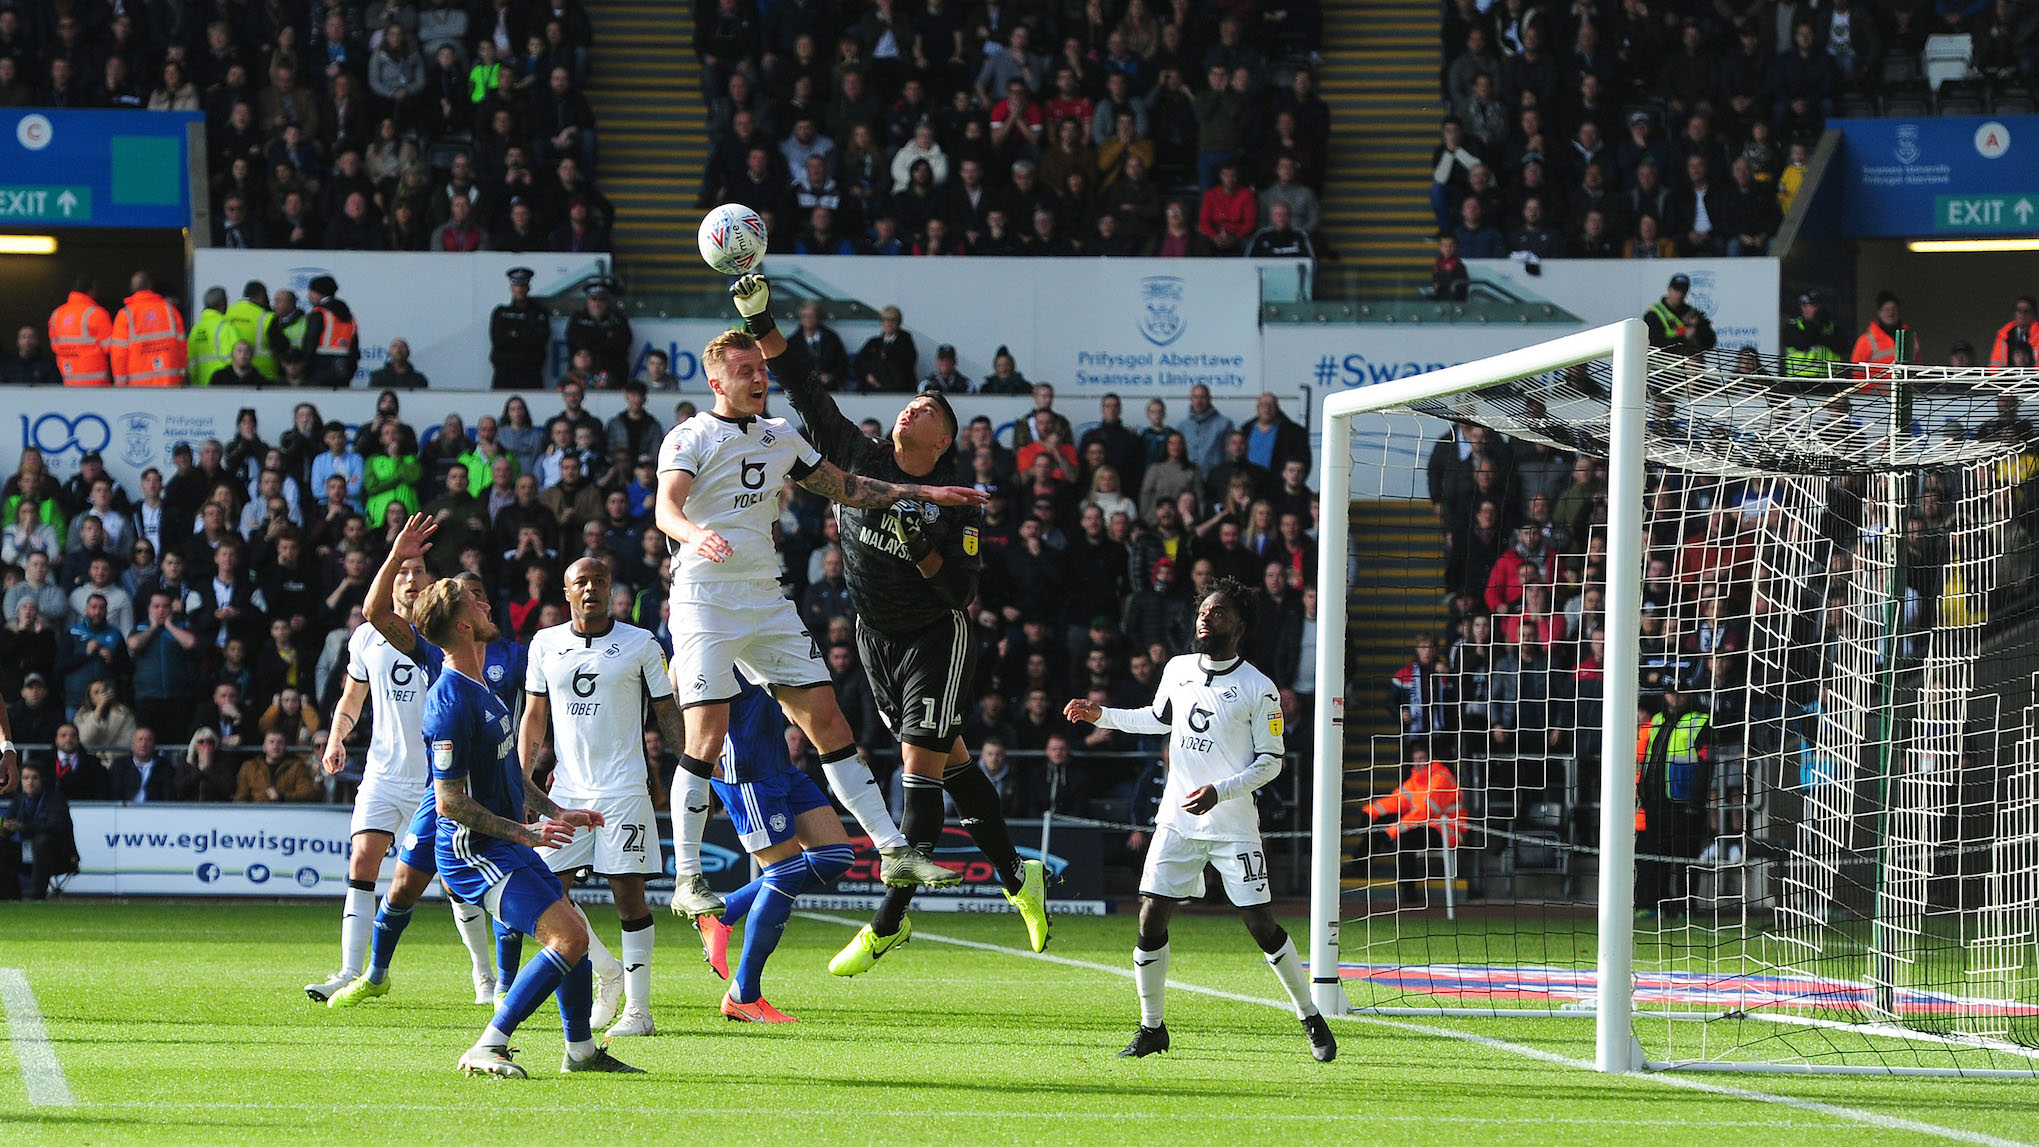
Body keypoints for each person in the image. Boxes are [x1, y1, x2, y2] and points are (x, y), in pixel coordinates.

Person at [730, 274, 1050, 973]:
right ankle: (1017, 873)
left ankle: (887, 922)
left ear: (944, 440)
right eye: (910, 402)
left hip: (936, 638)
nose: (911, 409)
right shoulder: (860, 456)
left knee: (917, 767)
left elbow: (960, 591)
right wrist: (759, 317)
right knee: (953, 764)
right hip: (875, 640)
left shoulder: (956, 502)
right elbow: (802, 384)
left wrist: (921, 545)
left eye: (926, 409)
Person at [652, 321, 985, 919]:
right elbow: (666, 509)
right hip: (705, 600)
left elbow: (848, 487)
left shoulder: (780, 435)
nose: (759, 378)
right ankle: (688, 877)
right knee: (706, 736)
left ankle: (892, 850)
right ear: (716, 382)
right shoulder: (689, 436)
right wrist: (694, 535)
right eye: (745, 371)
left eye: (761, 368)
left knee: (828, 721)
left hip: (765, 598)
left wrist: (927, 495)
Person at [1062, 576, 1334, 1062]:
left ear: (1240, 624)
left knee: (1260, 923)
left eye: (1218, 611)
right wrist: (1102, 715)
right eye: (1204, 610)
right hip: (1177, 819)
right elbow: (1157, 718)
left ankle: (1309, 1014)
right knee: (1150, 912)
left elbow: (1272, 762)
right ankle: (1151, 1028)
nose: (1206, 618)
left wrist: (1220, 791)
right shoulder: (1178, 668)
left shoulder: (1259, 688)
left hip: (1232, 824)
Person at [410, 576, 642, 1079]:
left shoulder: (480, 687)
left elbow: (509, 774)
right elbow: (448, 802)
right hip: (473, 853)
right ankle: (489, 1044)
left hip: (504, 844)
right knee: (566, 938)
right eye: (475, 602)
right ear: (464, 626)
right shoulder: (449, 700)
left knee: (575, 932)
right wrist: (526, 833)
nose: (486, 603)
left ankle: (580, 1052)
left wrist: (553, 811)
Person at [309, 518, 496, 1005]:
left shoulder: (437, 636)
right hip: (383, 774)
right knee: (362, 860)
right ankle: (351, 971)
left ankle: (484, 976)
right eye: (403, 572)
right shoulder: (365, 639)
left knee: (455, 883)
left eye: (419, 572)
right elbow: (351, 699)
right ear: (389, 579)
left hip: (436, 782)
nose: (411, 579)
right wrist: (336, 737)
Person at [519, 557, 690, 1039]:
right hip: (566, 793)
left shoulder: (641, 643)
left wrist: (694, 771)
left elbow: (666, 712)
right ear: (566, 592)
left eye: (599, 581)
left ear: (611, 589)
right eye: (581, 582)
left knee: (628, 896)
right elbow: (534, 716)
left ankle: (639, 1011)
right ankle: (607, 970)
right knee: (547, 894)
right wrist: (523, 781)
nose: (591, 589)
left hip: (624, 790)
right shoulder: (544, 644)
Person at [693, 677, 858, 1020]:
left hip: (779, 763)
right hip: (746, 770)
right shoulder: (703, 647)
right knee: (784, 873)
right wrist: (698, 756)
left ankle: (724, 911)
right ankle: (744, 995)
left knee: (834, 855)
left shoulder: (758, 642)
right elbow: (674, 694)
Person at [1635, 686, 1713, 916]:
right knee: (1653, 856)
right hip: (1655, 801)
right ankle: (1654, 904)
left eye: (1680, 692)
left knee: (1684, 857)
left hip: (1684, 803)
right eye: (1671, 691)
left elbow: (1706, 765)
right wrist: (1644, 791)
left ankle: (1685, 906)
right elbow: (1650, 759)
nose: (1675, 696)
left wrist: (1696, 801)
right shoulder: (1658, 720)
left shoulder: (1700, 721)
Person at [1, 761, 75, 900]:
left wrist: (23, 827)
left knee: (42, 841)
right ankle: (9, 897)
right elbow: (9, 823)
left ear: (42, 780)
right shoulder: (19, 801)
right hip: (26, 854)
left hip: (57, 857)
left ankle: (37, 896)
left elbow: (55, 826)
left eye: (34, 778)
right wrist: (6, 827)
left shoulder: (55, 800)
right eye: (26, 778)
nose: (30, 782)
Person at [109, 272, 188, 387]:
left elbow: (119, 353)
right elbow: (182, 347)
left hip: (138, 387)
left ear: (132, 289)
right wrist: (181, 376)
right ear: (150, 287)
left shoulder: (125, 315)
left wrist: (121, 383)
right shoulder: (171, 311)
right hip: (169, 384)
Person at [489, 268, 551, 389]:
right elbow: (498, 340)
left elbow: (540, 340)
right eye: (517, 286)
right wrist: (526, 335)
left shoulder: (539, 313)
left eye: (523, 286)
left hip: (531, 374)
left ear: (528, 288)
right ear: (511, 288)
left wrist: (514, 335)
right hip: (504, 374)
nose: (520, 289)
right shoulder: (500, 312)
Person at [48, 277, 114, 387]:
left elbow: (55, 346)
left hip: (68, 381)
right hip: (96, 384)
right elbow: (111, 347)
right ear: (91, 291)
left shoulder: (56, 314)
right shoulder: (97, 314)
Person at [566, 281, 633, 386]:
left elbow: (622, 343)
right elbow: (575, 341)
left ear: (607, 302)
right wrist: (605, 336)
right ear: (588, 301)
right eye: (593, 299)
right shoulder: (577, 319)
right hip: (581, 378)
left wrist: (590, 340)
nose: (597, 304)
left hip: (613, 375)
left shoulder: (618, 320)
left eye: (602, 299)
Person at [301, 275, 361, 387]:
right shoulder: (349, 317)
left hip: (318, 369)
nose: (310, 295)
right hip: (343, 369)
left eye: (311, 292)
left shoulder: (319, 314)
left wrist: (304, 369)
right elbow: (354, 348)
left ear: (317, 293)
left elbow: (309, 344)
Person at [1642, 273, 1716, 355]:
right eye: (1676, 290)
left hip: (1688, 361)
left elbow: (1710, 343)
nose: (1680, 294)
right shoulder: (1653, 314)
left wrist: (1698, 326)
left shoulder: (1692, 313)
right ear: (1669, 289)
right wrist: (1684, 337)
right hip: (1663, 362)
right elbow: (1654, 344)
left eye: (1683, 290)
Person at [1850, 289, 1917, 379]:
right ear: (1879, 313)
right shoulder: (1865, 341)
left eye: (1894, 309)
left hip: (1904, 387)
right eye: (1887, 309)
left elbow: (1917, 368)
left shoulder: (1910, 338)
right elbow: (1857, 372)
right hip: (1875, 388)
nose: (1891, 313)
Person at [186, 286, 246, 385]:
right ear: (222, 303)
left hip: (200, 387)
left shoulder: (195, 330)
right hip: (223, 386)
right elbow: (240, 359)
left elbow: (191, 364)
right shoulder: (226, 328)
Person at [1782, 290, 1844, 377]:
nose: (1808, 309)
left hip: (1829, 378)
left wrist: (1822, 324)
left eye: (1814, 305)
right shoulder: (1793, 327)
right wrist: (1815, 325)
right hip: (1799, 378)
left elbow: (1841, 346)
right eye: (1804, 305)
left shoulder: (1832, 327)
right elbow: (1802, 343)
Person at [1989, 297, 2038, 367]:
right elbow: (1996, 365)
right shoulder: (2004, 335)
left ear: (2034, 315)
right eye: (2019, 310)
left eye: (2026, 311)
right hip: (2008, 373)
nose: (2022, 314)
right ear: (2014, 314)